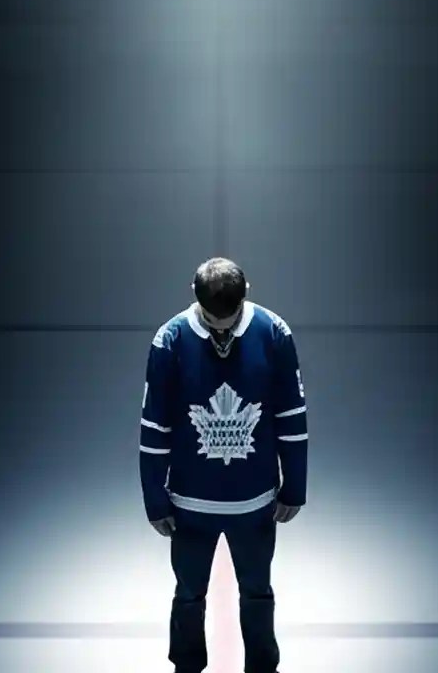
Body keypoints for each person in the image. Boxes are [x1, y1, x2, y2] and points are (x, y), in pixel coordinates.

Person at [139, 257, 308, 673]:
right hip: (190, 502)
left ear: (246, 292)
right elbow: (155, 424)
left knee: (257, 592)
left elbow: (291, 415)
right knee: (188, 594)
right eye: (214, 321)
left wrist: (295, 486)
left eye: (229, 320)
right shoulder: (170, 340)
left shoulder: (274, 332)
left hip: (255, 501)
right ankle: (187, 666)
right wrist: (154, 499)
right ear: (194, 296)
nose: (221, 331)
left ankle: (263, 667)